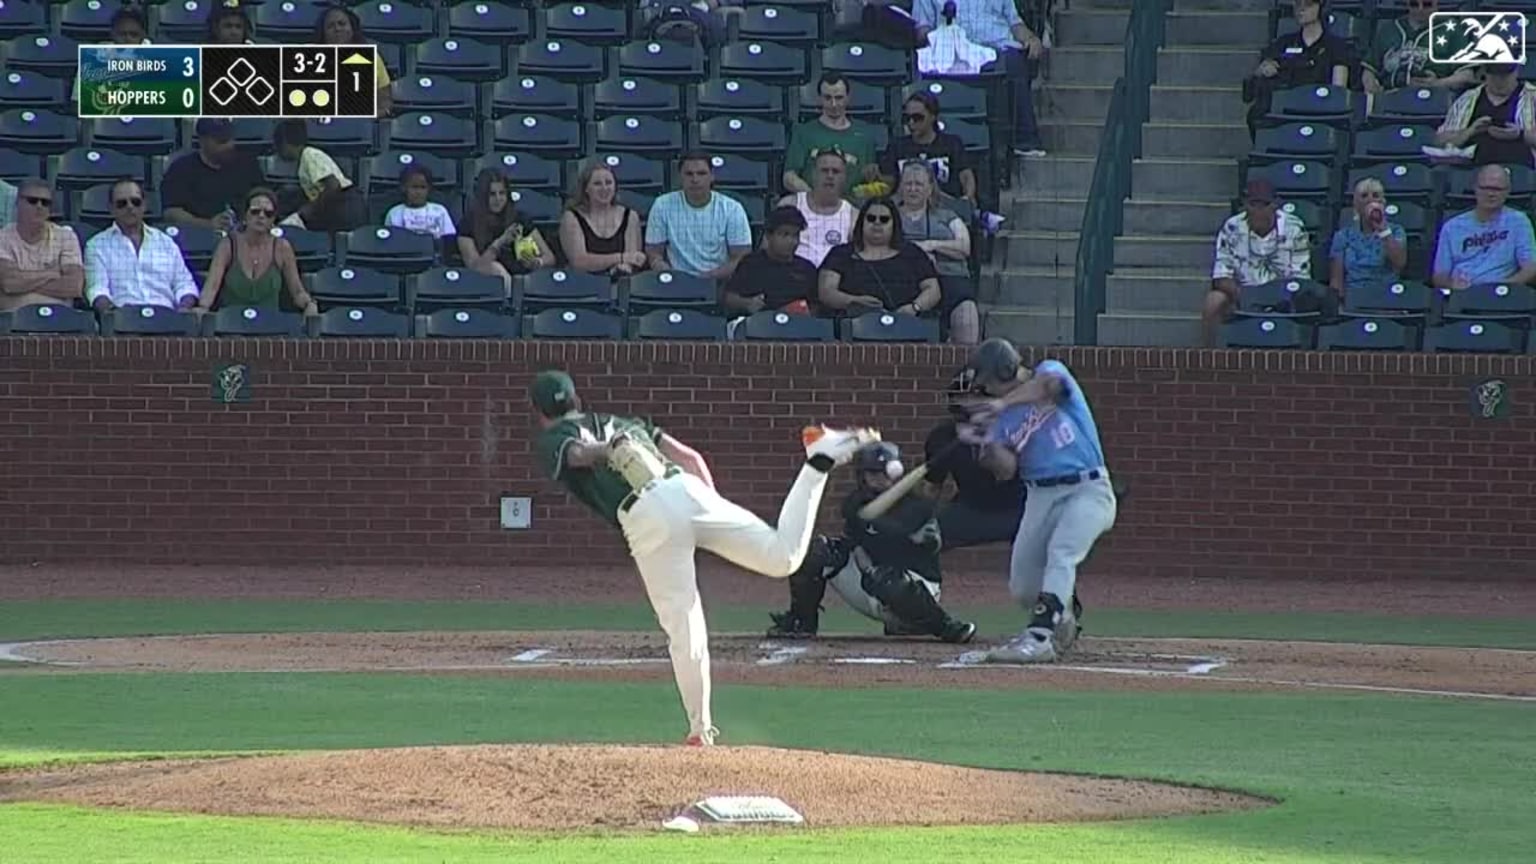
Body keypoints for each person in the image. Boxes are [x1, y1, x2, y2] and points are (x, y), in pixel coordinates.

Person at [529, 369, 877, 745]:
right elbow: (691, 458)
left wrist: (607, 450)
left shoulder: (553, 436)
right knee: (784, 558)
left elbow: (578, 454)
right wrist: (713, 514)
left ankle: (700, 730)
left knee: (684, 625)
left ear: (540, 412)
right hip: (687, 488)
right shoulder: (626, 422)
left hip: (645, 513)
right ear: (578, 400)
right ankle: (817, 463)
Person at [965, 339, 1116, 664]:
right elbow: (1006, 471)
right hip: (1040, 496)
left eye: (988, 382)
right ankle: (1062, 618)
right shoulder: (1003, 419)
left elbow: (1049, 388)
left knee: (1062, 551)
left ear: (1004, 370)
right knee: (1023, 587)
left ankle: (1038, 638)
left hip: (1088, 488)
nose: (986, 389)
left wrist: (1000, 405)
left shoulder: (1049, 371)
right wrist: (987, 444)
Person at [764, 441, 977, 643]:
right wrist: (868, 569)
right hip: (872, 584)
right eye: (871, 473)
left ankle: (945, 626)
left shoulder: (916, 507)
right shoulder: (856, 504)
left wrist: (919, 536)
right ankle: (801, 621)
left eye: (883, 474)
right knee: (816, 551)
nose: (877, 479)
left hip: (917, 588)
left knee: (887, 578)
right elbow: (854, 545)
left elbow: (931, 544)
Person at [195, 187, 318, 315]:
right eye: (255, 211)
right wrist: (202, 307)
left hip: (270, 323)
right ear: (245, 215)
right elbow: (212, 287)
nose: (261, 216)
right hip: (231, 322)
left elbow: (297, 291)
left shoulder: (282, 247)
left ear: (273, 220)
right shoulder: (228, 245)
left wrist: (309, 304)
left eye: (268, 213)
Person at [895, 161, 979, 344]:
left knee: (966, 313)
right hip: (904, 278)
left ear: (930, 188)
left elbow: (964, 247)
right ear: (901, 187)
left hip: (949, 276)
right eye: (908, 184)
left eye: (919, 184)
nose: (913, 189)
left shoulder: (947, 216)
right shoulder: (890, 215)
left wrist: (931, 245)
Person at [817, 198, 943, 319]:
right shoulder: (840, 254)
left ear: (894, 223)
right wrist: (853, 301)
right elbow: (826, 291)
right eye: (871, 218)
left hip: (906, 323)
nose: (877, 223)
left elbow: (933, 289)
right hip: (852, 324)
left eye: (884, 219)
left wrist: (914, 307)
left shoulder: (912, 253)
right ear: (862, 222)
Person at [85, 179, 199, 312]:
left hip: (166, 316)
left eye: (136, 202)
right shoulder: (97, 245)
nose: (130, 207)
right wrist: (113, 315)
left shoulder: (165, 242)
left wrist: (183, 309)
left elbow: (184, 285)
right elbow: (97, 290)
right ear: (111, 209)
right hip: (123, 317)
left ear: (144, 205)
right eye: (122, 203)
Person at [644, 151, 752, 280]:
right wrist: (670, 275)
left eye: (701, 173)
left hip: (719, 282)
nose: (695, 179)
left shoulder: (732, 209)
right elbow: (654, 253)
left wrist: (707, 278)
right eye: (689, 174)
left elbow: (740, 258)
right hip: (676, 282)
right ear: (680, 176)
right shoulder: (662, 205)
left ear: (712, 176)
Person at [1431, 164, 1536, 290]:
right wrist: (1453, 286)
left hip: (1503, 292)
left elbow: (1531, 268)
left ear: (1507, 191)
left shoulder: (1518, 221)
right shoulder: (1452, 227)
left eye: (1497, 189)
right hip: (1463, 293)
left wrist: (1506, 286)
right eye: (1485, 188)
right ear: (1475, 188)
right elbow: (1439, 277)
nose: (1490, 194)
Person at [457, 168, 556, 294]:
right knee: (495, 268)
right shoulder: (468, 223)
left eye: (502, 193)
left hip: (523, 278)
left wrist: (537, 262)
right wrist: (499, 243)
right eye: (492, 194)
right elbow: (475, 268)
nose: (498, 199)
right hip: (487, 285)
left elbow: (550, 257)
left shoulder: (520, 219)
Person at [161, 118, 266, 232]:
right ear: (202, 141)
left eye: (230, 139)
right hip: (199, 235)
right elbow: (171, 213)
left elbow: (264, 199)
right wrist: (208, 224)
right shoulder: (181, 168)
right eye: (221, 141)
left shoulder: (248, 164)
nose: (229, 145)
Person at [0, 179, 83, 312]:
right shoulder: (3, 237)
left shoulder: (66, 236)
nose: (39, 206)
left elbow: (74, 286)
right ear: (18, 203)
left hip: (61, 317)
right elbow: (9, 283)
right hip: (15, 318)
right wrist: (51, 273)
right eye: (32, 201)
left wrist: (24, 284)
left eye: (45, 203)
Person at [271, 120, 366, 234]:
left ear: (285, 144)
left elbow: (333, 185)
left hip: (345, 204)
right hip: (335, 206)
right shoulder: (303, 161)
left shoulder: (309, 155)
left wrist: (309, 210)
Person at [1433, 64, 1536, 168]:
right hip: (1472, 168)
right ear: (1485, 73)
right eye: (1493, 75)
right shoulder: (1467, 98)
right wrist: (1470, 131)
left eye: (1504, 76)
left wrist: (1520, 134)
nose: (1499, 81)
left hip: (1521, 166)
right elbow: (1440, 141)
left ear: (1516, 72)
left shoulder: (1533, 97)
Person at [722, 205, 819, 315]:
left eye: (795, 235)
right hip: (759, 322)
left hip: (798, 323)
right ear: (769, 235)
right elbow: (729, 298)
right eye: (785, 234)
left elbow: (815, 306)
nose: (791, 241)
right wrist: (747, 303)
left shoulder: (807, 269)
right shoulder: (751, 264)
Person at [558, 161, 647, 277]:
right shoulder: (571, 217)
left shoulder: (630, 216)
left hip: (619, 280)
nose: (604, 188)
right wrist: (621, 257)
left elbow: (633, 260)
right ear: (586, 188)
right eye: (597, 184)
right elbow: (579, 262)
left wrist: (623, 265)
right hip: (582, 281)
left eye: (609, 183)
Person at [1329, 177, 1407, 304]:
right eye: (1364, 196)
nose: (1370, 200)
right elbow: (1337, 280)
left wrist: (1383, 230)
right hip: (1354, 296)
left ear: (1383, 202)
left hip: (1387, 296)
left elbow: (1400, 263)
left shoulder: (1396, 231)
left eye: (1375, 196)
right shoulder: (1343, 236)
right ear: (1356, 204)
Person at [777, 150, 856, 267]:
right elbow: (770, 249)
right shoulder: (790, 204)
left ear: (844, 177)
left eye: (835, 172)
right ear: (813, 174)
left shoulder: (853, 216)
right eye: (824, 170)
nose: (830, 176)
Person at [317, 5, 392, 117]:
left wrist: (368, 116)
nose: (337, 29)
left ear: (352, 28)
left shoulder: (371, 57)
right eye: (330, 26)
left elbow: (384, 101)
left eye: (342, 24)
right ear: (323, 33)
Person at [384, 164, 457, 240]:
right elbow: (389, 241)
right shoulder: (394, 213)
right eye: (414, 187)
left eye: (423, 187)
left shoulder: (439, 211)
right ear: (403, 188)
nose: (418, 192)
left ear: (429, 189)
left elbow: (449, 238)